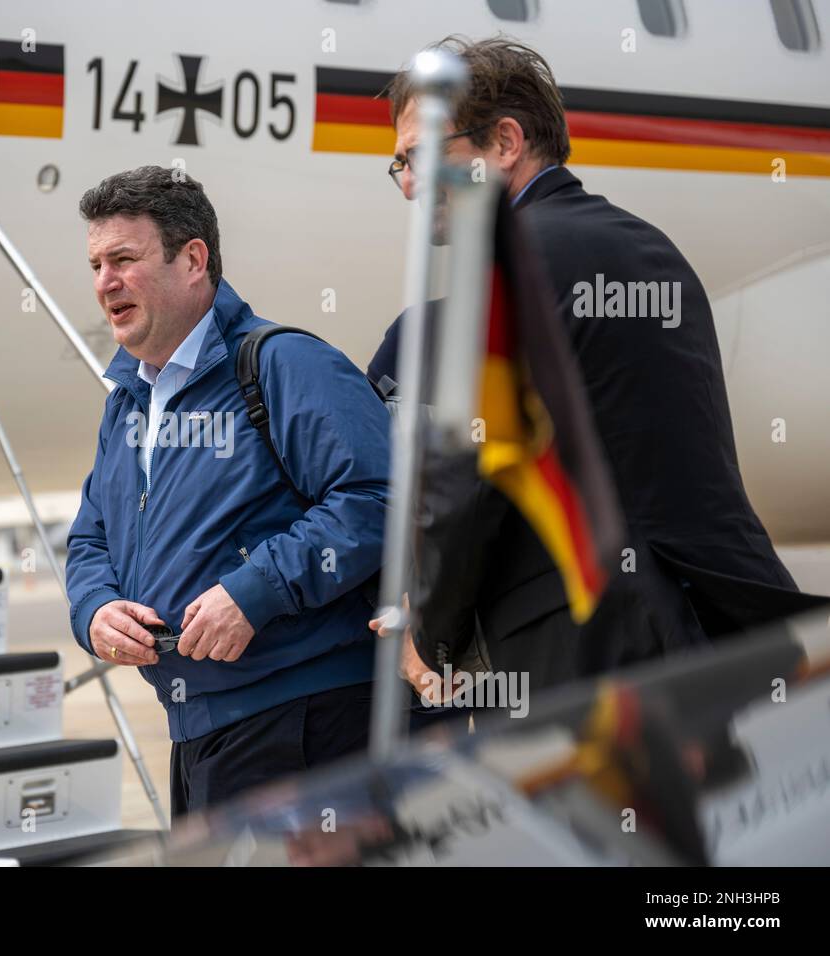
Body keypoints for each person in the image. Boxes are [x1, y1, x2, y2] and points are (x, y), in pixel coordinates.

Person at [369, 36, 818, 700]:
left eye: (419, 155)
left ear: (504, 143)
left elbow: (470, 475)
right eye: (398, 165)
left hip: (575, 652)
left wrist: (433, 636)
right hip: (696, 632)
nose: (408, 183)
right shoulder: (647, 247)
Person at [65, 166, 391, 817]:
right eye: (97, 264)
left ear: (192, 260)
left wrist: (255, 591)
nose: (104, 282)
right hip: (200, 730)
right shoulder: (130, 401)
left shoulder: (283, 364)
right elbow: (90, 537)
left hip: (304, 724)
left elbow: (376, 498)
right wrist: (95, 609)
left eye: (124, 259)